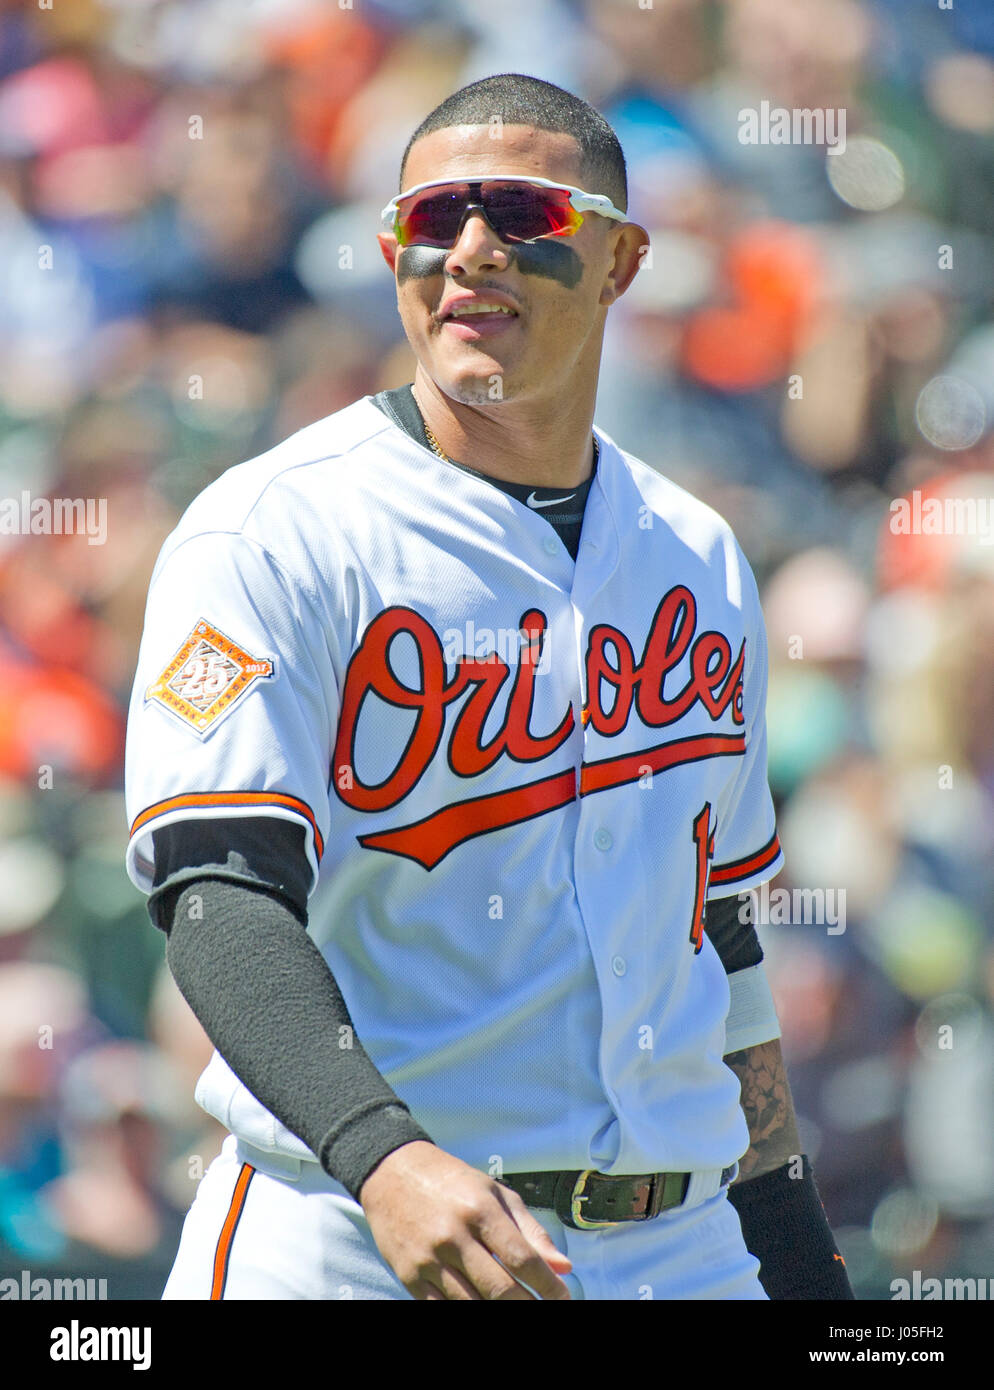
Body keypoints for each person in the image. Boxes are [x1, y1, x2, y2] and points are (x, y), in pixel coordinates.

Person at [124, 73, 854, 1301]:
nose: (468, 250)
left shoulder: (695, 552)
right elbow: (220, 894)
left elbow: (715, 938)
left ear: (621, 262)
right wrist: (382, 1154)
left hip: (682, 1245)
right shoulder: (270, 532)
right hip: (357, 1235)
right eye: (432, 217)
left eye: (521, 213)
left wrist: (798, 1257)